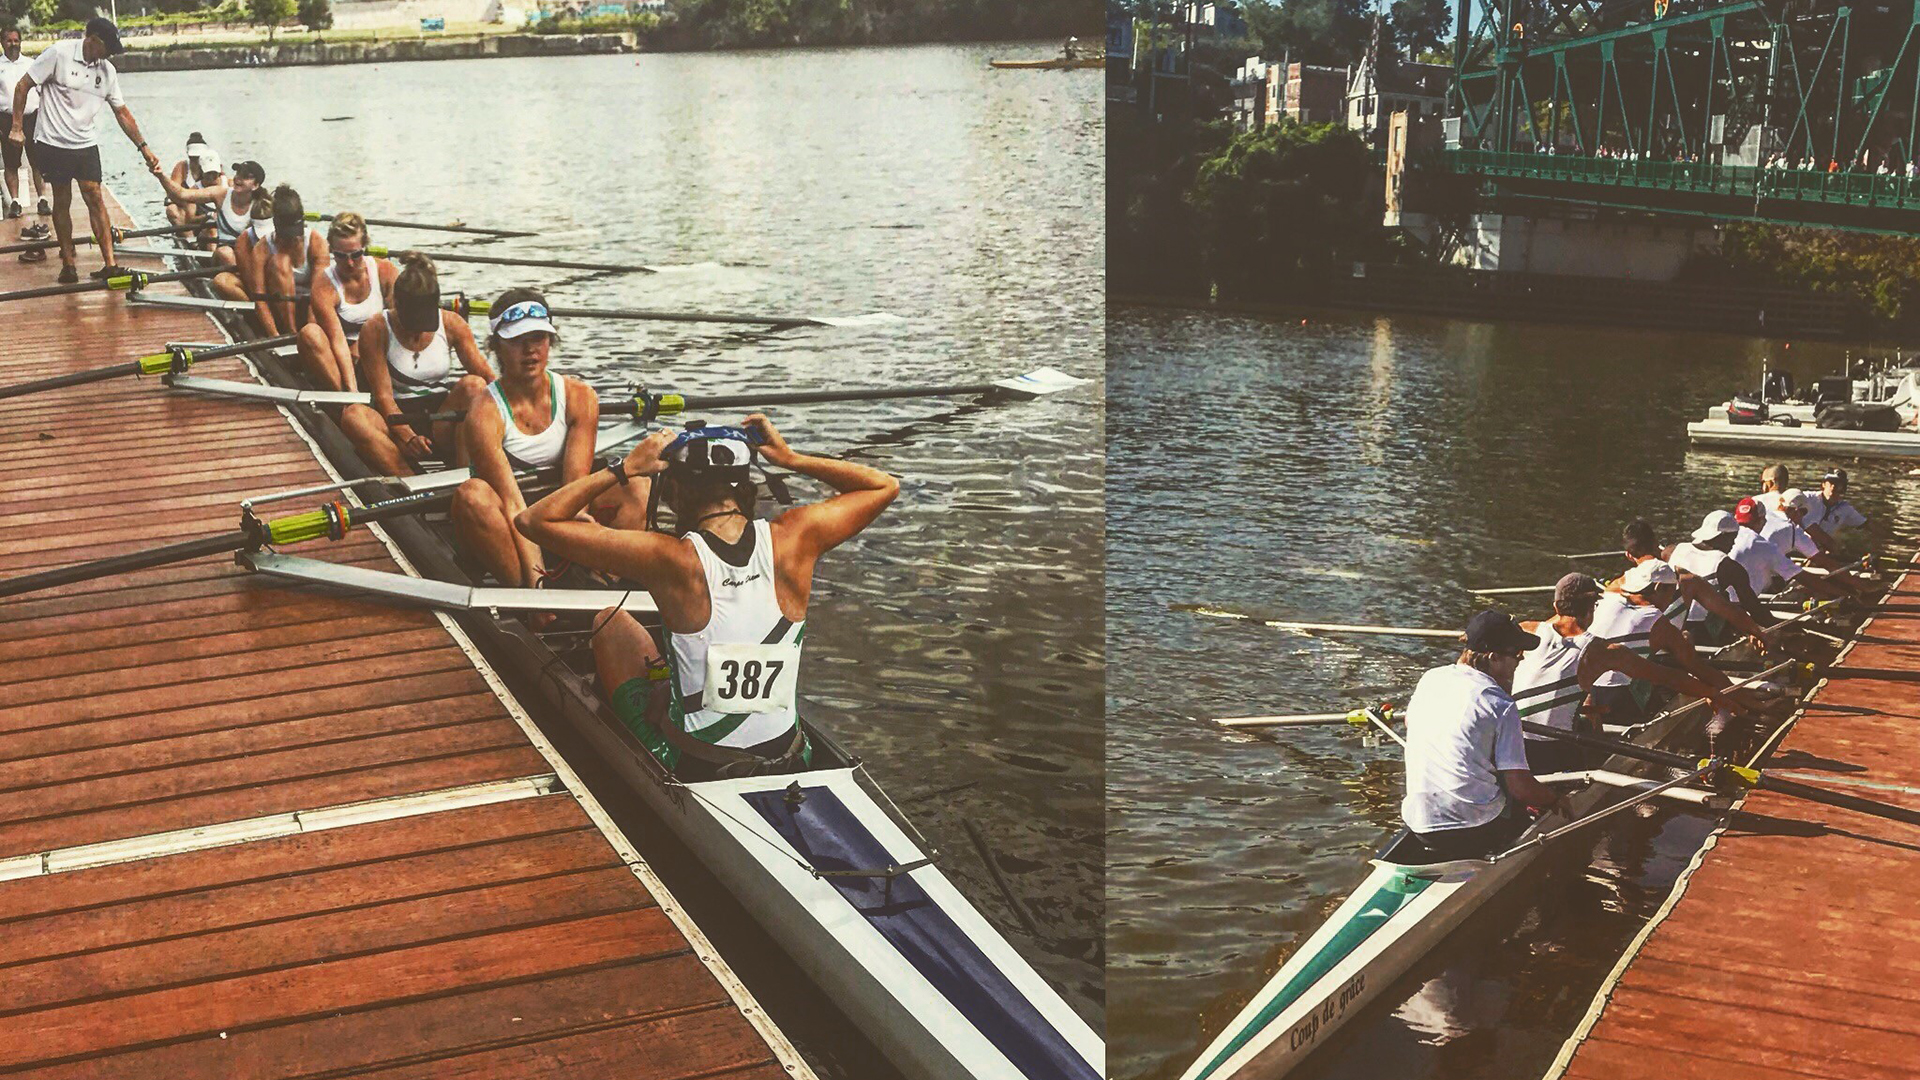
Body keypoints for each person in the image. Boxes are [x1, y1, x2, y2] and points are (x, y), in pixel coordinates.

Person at [515, 417, 899, 779]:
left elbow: (533, 521)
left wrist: (625, 468)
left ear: (676, 492)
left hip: (699, 765)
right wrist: (790, 458)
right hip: (794, 756)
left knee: (609, 623)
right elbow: (883, 486)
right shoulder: (797, 537)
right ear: (745, 487)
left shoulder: (668, 557)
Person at [449, 288, 645, 599]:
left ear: (550, 341)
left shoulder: (580, 397)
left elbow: (574, 492)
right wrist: (537, 589)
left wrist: (580, 539)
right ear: (496, 345)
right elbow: (514, 506)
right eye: (516, 340)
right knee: (472, 496)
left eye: (538, 338)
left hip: (560, 511)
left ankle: (604, 580)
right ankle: (528, 594)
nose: (530, 350)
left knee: (638, 486)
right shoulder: (484, 412)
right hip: (509, 523)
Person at [1515, 573, 1745, 774]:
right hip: (1552, 750)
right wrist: (1712, 693)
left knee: (1587, 712)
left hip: (1512, 742)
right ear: (1593, 607)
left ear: (1555, 607)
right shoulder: (1603, 652)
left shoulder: (1526, 630)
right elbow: (1668, 677)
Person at [1400, 610, 1567, 860]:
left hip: (1419, 823)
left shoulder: (1430, 678)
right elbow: (1520, 787)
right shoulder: (1500, 704)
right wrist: (1554, 800)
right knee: (1523, 796)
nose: (1520, 662)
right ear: (1494, 657)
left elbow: (1408, 721)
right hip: (1472, 830)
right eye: (1517, 655)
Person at [5, 18, 160, 285]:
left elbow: (121, 112)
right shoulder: (59, 54)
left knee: (95, 198)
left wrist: (143, 147)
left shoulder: (108, 71)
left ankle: (110, 264)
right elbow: (23, 85)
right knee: (62, 200)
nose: (110, 53)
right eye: (108, 47)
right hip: (53, 142)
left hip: (85, 144)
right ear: (93, 40)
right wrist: (17, 127)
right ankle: (68, 264)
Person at [337, 253, 491, 474]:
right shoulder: (377, 328)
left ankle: (466, 478)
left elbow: (488, 377)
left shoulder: (452, 324)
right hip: (396, 419)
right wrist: (407, 436)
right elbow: (383, 396)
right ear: (396, 304)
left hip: (441, 421)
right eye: (413, 322)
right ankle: (409, 480)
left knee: (475, 385)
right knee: (353, 416)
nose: (418, 330)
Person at [295, 213, 398, 392]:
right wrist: (352, 390)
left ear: (365, 246)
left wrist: (365, 344)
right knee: (309, 333)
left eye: (356, 254)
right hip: (345, 355)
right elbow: (338, 340)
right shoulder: (324, 284)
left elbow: (398, 326)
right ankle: (346, 399)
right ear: (331, 250)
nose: (349, 263)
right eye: (340, 256)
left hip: (379, 349)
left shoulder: (385, 272)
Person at [1662, 510, 1775, 643]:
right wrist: (1783, 626)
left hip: (1668, 624)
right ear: (1723, 536)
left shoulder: (1673, 550)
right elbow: (1755, 610)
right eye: (1733, 538)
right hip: (1700, 632)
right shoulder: (1728, 566)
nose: (1733, 544)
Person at [1730, 497, 1851, 601]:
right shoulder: (1764, 545)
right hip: (1739, 604)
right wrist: (1843, 593)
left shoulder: (1724, 538)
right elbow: (1804, 578)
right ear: (1763, 520)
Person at [261, 183, 327, 333]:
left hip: (312, 307)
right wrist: (274, 337)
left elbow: (319, 293)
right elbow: (260, 299)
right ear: (275, 224)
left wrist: (312, 331)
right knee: (281, 261)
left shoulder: (317, 242)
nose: (291, 238)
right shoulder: (263, 247)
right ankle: (290, 331)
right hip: (279, 307)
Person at [0, 27, 47, 229]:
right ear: (2, 43)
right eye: (9, 41)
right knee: (11, 163)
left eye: (16, 40)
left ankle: (43, 199)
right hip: (6, 118)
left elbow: (43, 92)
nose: (13, 44)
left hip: (31, 117)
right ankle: (16, 202)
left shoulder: (31, 64)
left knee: (37, 162)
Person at [161, 132, 221, 235]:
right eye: (193, 158)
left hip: (208, 209)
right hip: (188, 210)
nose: (196, 161)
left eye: (198, 157)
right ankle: (189, 239)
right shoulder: (182, 167)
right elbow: (172, 193)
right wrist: (190, 201)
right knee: (172, 209)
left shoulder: (212, 167)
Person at [1805, 467, 1867, 538]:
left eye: (1838, 484)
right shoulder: (1808, 498)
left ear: (1843, 488)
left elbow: (1864, 524)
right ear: (1824, 484)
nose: (1834, 487)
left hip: (1821, 547)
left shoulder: (1845, 508)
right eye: (1831, 482)